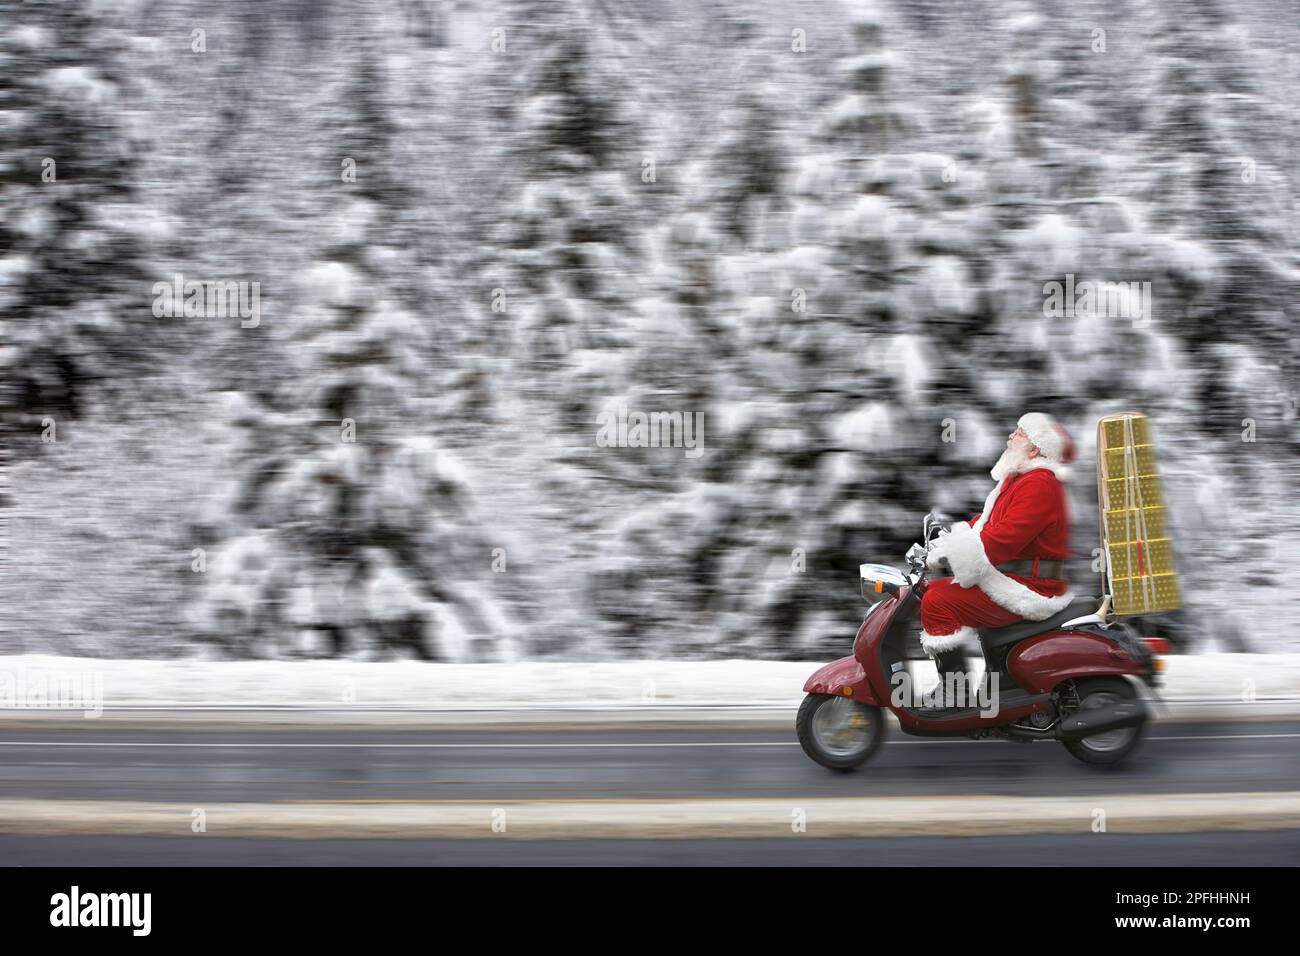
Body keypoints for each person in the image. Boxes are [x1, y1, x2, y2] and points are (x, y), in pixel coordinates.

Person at [920, 412, 1076, 706]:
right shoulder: (1020, 480)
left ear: (1034, 449)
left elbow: (1002, 540)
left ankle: (956, 692)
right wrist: (945, 543)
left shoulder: (1038, 484)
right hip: (1012, 579)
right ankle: (979, 686)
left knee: (937, 601)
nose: (1010, 437)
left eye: (1019, 433)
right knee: (935, 592)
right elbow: (986, 525)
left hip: (1030, 588)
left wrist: (951, 554)